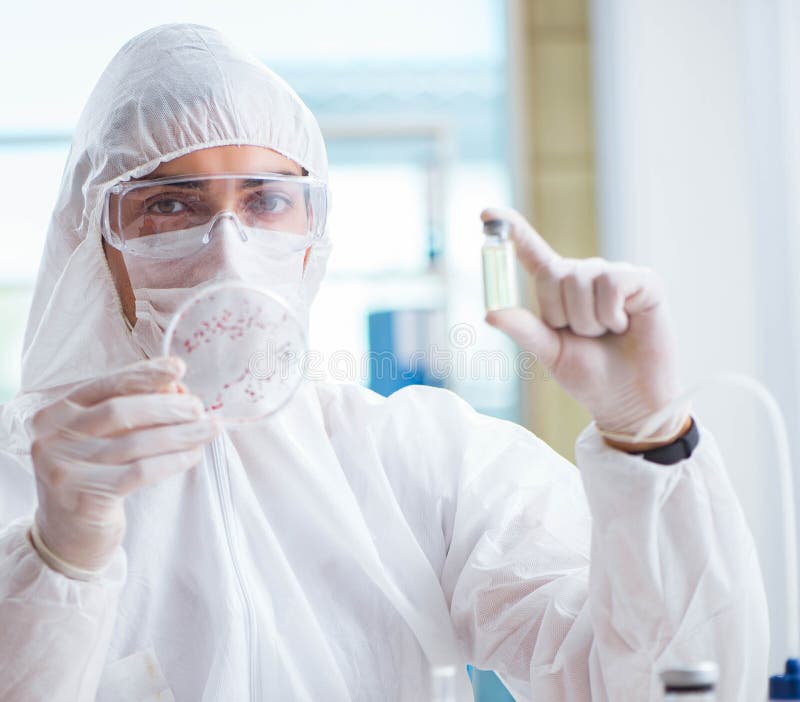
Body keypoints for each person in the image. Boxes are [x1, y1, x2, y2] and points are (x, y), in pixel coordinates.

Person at [0, 23, 767, 702]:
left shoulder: (415, 460)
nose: (228, 252)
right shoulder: (22, 479)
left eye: (266, 201)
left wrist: (647, 437)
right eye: (171, 204)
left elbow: (669, 688)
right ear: (96, 242)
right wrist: (56, 559)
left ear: (312, 232)